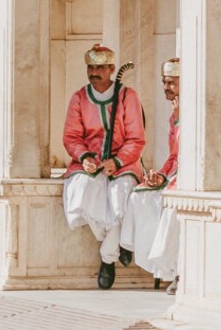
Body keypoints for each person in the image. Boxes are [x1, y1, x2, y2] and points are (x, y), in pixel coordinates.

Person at [62, 44, 146, 290]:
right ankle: (114, 241)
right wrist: (84, 156)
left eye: (100, 67)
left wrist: (117, 161)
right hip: (88, 164)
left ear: (111, 69)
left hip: (123, 163)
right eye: (91, 67)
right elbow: (71, 137)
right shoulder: (79, 98)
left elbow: (136, 139)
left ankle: (107, 259)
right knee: (83, 195)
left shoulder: (127, 96)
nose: (94, 72)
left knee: (120, 200)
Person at [120, 57, 182, 291]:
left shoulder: (196, 116)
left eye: (171, 83)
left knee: (171, 206)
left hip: (188, 184)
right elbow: (174, 157)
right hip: (173, 179)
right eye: (164, 82)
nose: (165, 88)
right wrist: (160, 176)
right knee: (140, 195)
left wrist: (169, 180)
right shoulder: (174, 116)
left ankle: (177, 271)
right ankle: (144, 258)